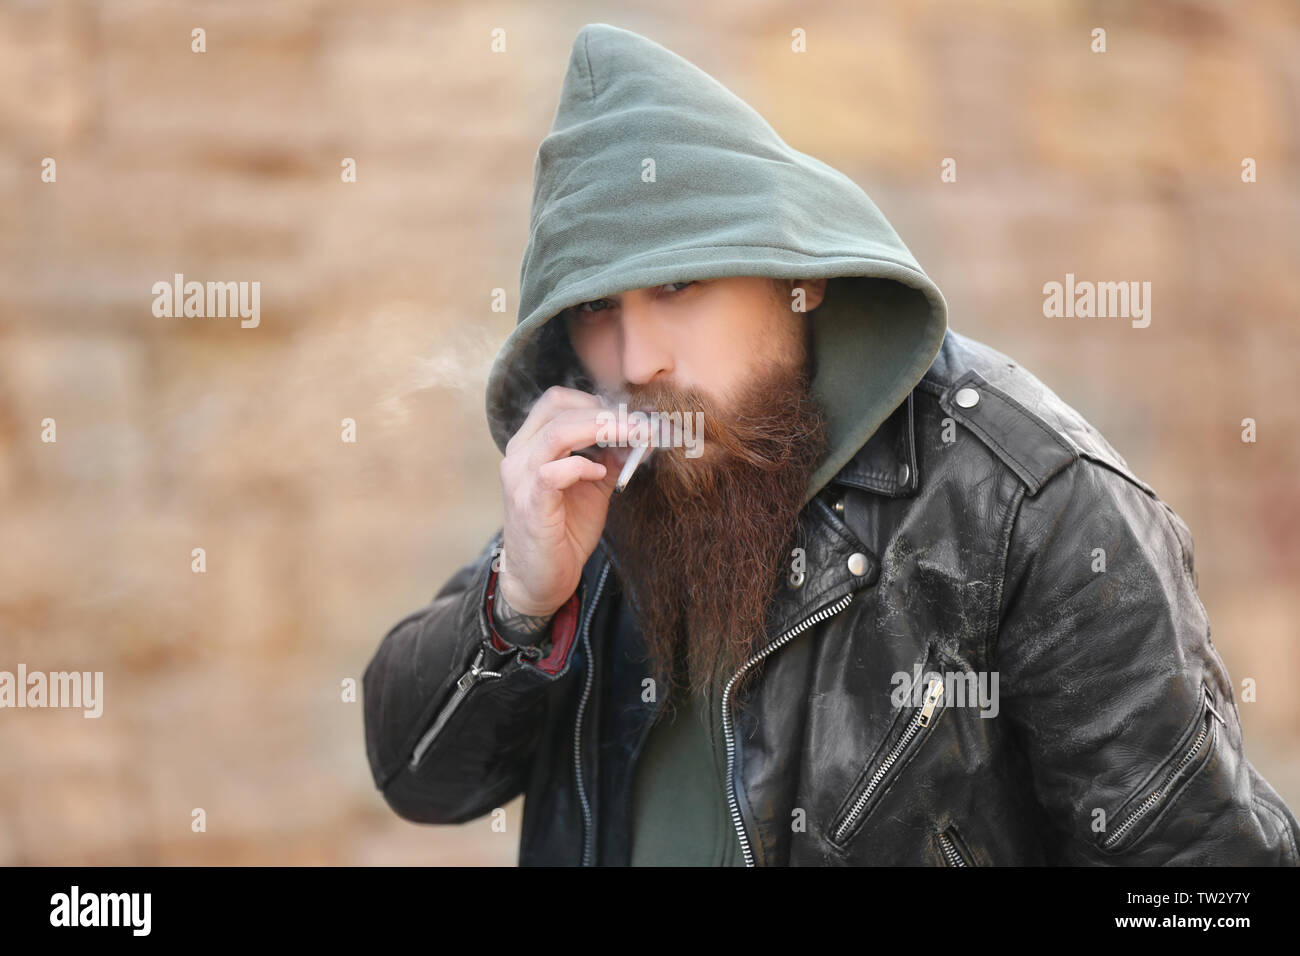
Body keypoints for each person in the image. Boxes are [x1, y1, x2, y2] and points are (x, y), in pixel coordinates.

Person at [361, 23, 1300, 866]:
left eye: (680, 284)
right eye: (601, 308)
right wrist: (520, 604)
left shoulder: (1028, 500)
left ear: (792, 276)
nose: (639, 358)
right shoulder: (606, 494)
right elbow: (420, 779)